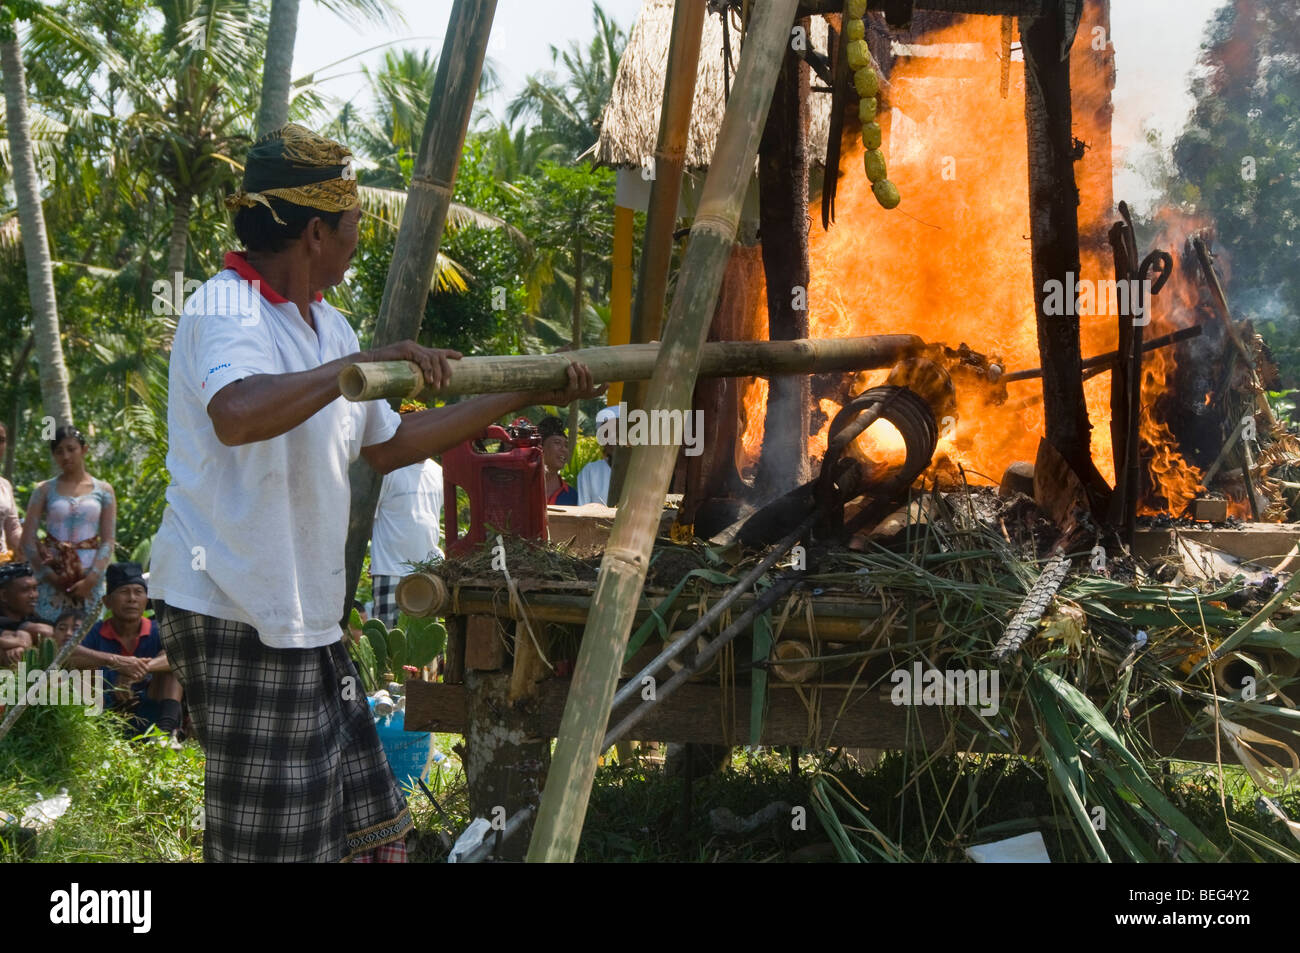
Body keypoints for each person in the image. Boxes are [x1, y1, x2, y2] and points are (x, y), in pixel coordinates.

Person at [148, 124, 601, 864]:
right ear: (315, 232)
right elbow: (235, 414)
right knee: (274, 844)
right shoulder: (225, 308)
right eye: (354, 229)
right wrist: (356, 365)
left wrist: (527, 384)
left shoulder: (327, 326)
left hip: (304, 617)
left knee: (367, 823)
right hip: (233, 607)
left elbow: (388, 444)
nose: (359, 243)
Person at [67, 562, 182, 741]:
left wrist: (137, 669)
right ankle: (89, 736)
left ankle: (164, 736)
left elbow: (182, 656)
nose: (132, 599)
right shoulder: (95, 631)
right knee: (83, 667)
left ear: (146, 599)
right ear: (107, 601)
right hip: (105, 710)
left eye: (138, 592)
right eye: (123, 592)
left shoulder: (158, 629)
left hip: (149, 709)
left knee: (173, 665)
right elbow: (67, 655)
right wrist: (115, 661)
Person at [21, 426, 116, 624]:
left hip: (90, 576)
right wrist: (49, 576)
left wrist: (92, 578)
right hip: (52, 574)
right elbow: (28, 540)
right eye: (59, 451)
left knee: (87, 635)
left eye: (71, 449)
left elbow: (108, 540)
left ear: (84, 449)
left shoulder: (104, 491)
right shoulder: (44, 490)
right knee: (51, 634)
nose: (65, 456)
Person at [370, 456, 443, 629]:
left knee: (427, 645)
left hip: (429, 570)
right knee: (389, 642)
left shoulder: (438, 471)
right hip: (390, 569)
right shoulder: (387, 469)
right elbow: (367, 521)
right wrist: (379, 555)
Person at [0, 563, 50, 664]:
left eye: (35, 589)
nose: (33, 595)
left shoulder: (35, 620)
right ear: (4, 595)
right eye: (25, 590)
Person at [577, 405, 620, 506]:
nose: (612, 438)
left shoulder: (642, 471)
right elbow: (583, 512)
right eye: (606, 433)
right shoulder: (590, 471)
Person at [539, 416, 578, 505]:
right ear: (540, 447)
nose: (564, 449)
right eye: (557, 442)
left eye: (566, 445)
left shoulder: (572, 495)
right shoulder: (523, 488)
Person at [0, 423, 22, 561]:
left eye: (1, 440)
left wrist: (33, 545)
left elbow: (13, 529)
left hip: (2, 563)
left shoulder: (4, 486)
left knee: (30, 582)